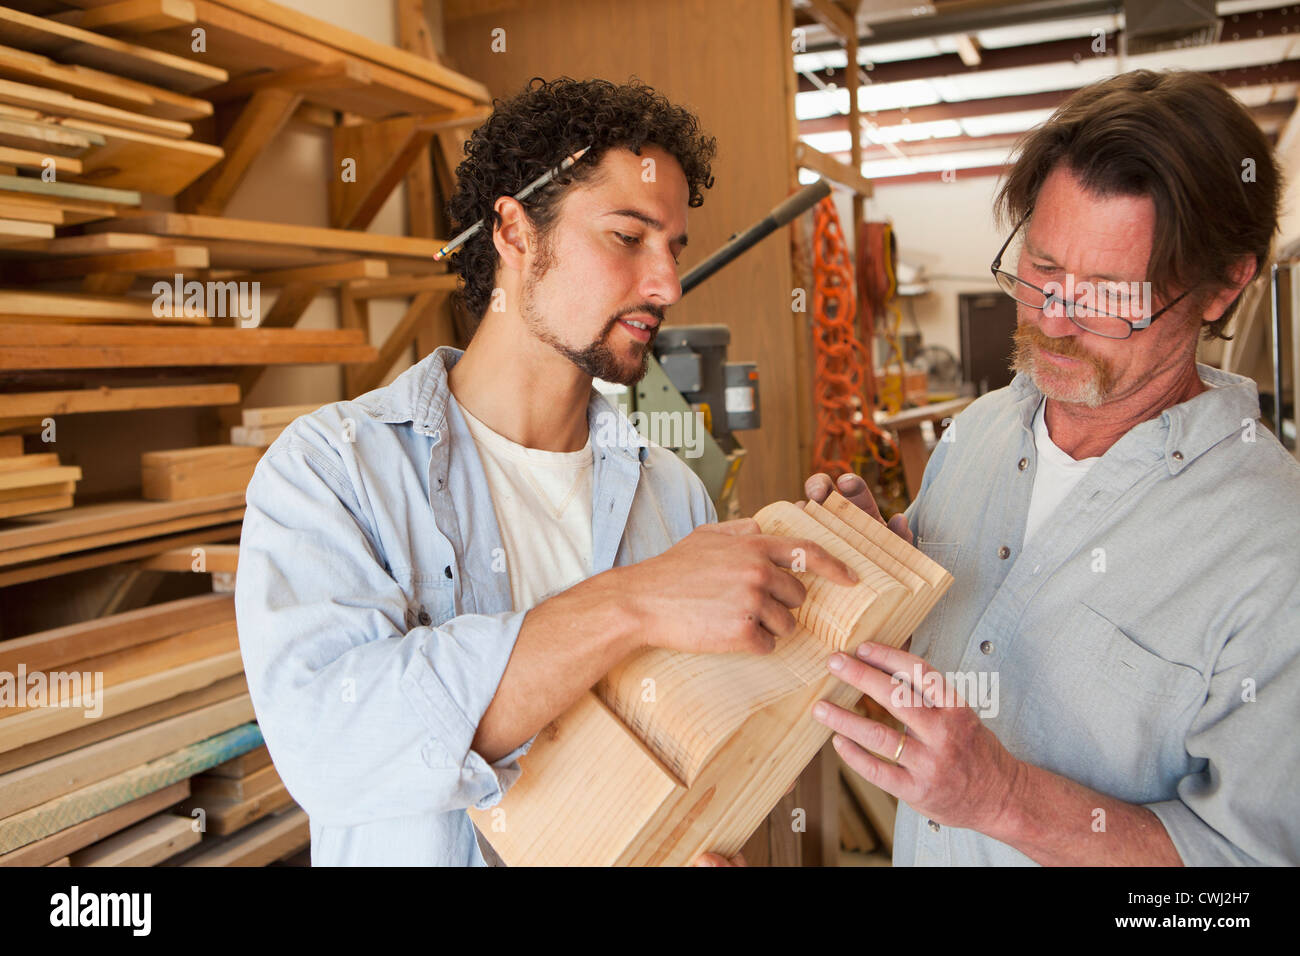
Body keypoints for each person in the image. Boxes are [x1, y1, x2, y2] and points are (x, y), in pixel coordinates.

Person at [233, 76, 855, 866]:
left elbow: (704, 750)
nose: (666, 285)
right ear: (514, 232)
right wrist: (632, 603)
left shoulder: (673, 493)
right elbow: (333, 747)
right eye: (629, 238)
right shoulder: (333, 471)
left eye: (673, 249)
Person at [803, 69, 1300, 866]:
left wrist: (1003, 800)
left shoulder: (1276, 548)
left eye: (1107, 292)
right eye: (1040, 269)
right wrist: (877, 573)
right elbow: (935, 675)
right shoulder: (975, 437)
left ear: (1225, 283)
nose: (1055, 322)